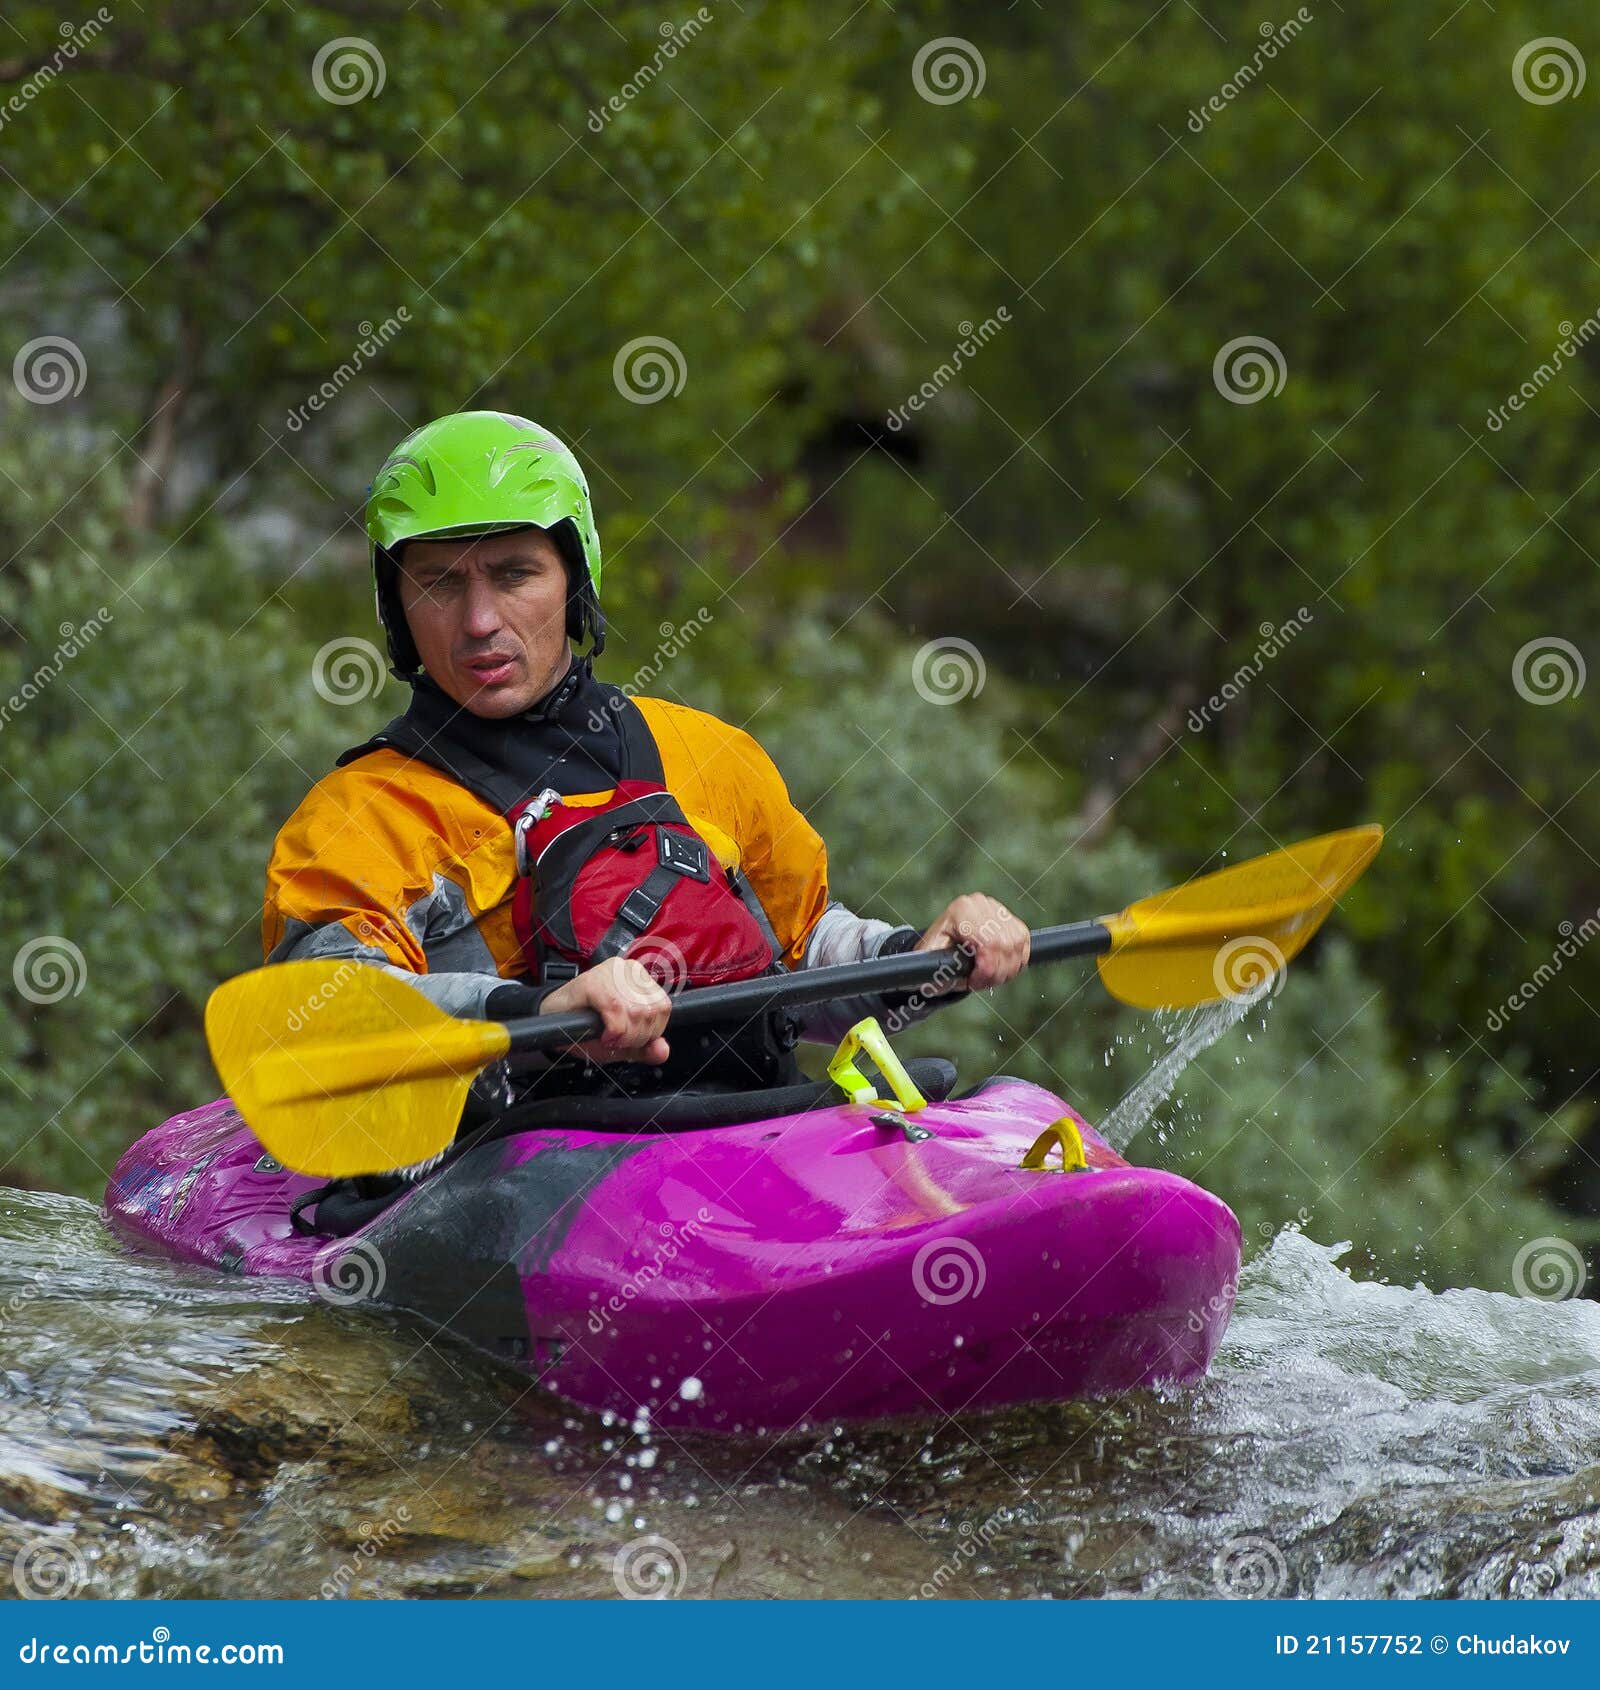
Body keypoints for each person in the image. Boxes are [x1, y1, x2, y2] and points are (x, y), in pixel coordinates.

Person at [263, 410, 1028, 1109]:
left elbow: (807, 957)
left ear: (575, 581)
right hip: (527, 1164)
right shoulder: (362, 812)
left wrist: (918, 957)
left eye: (514, 574)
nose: (480, 621)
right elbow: (327, 1008)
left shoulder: (707, 754)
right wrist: (532, 1012)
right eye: (439, 582)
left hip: (755, 1130)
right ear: (396, 605)